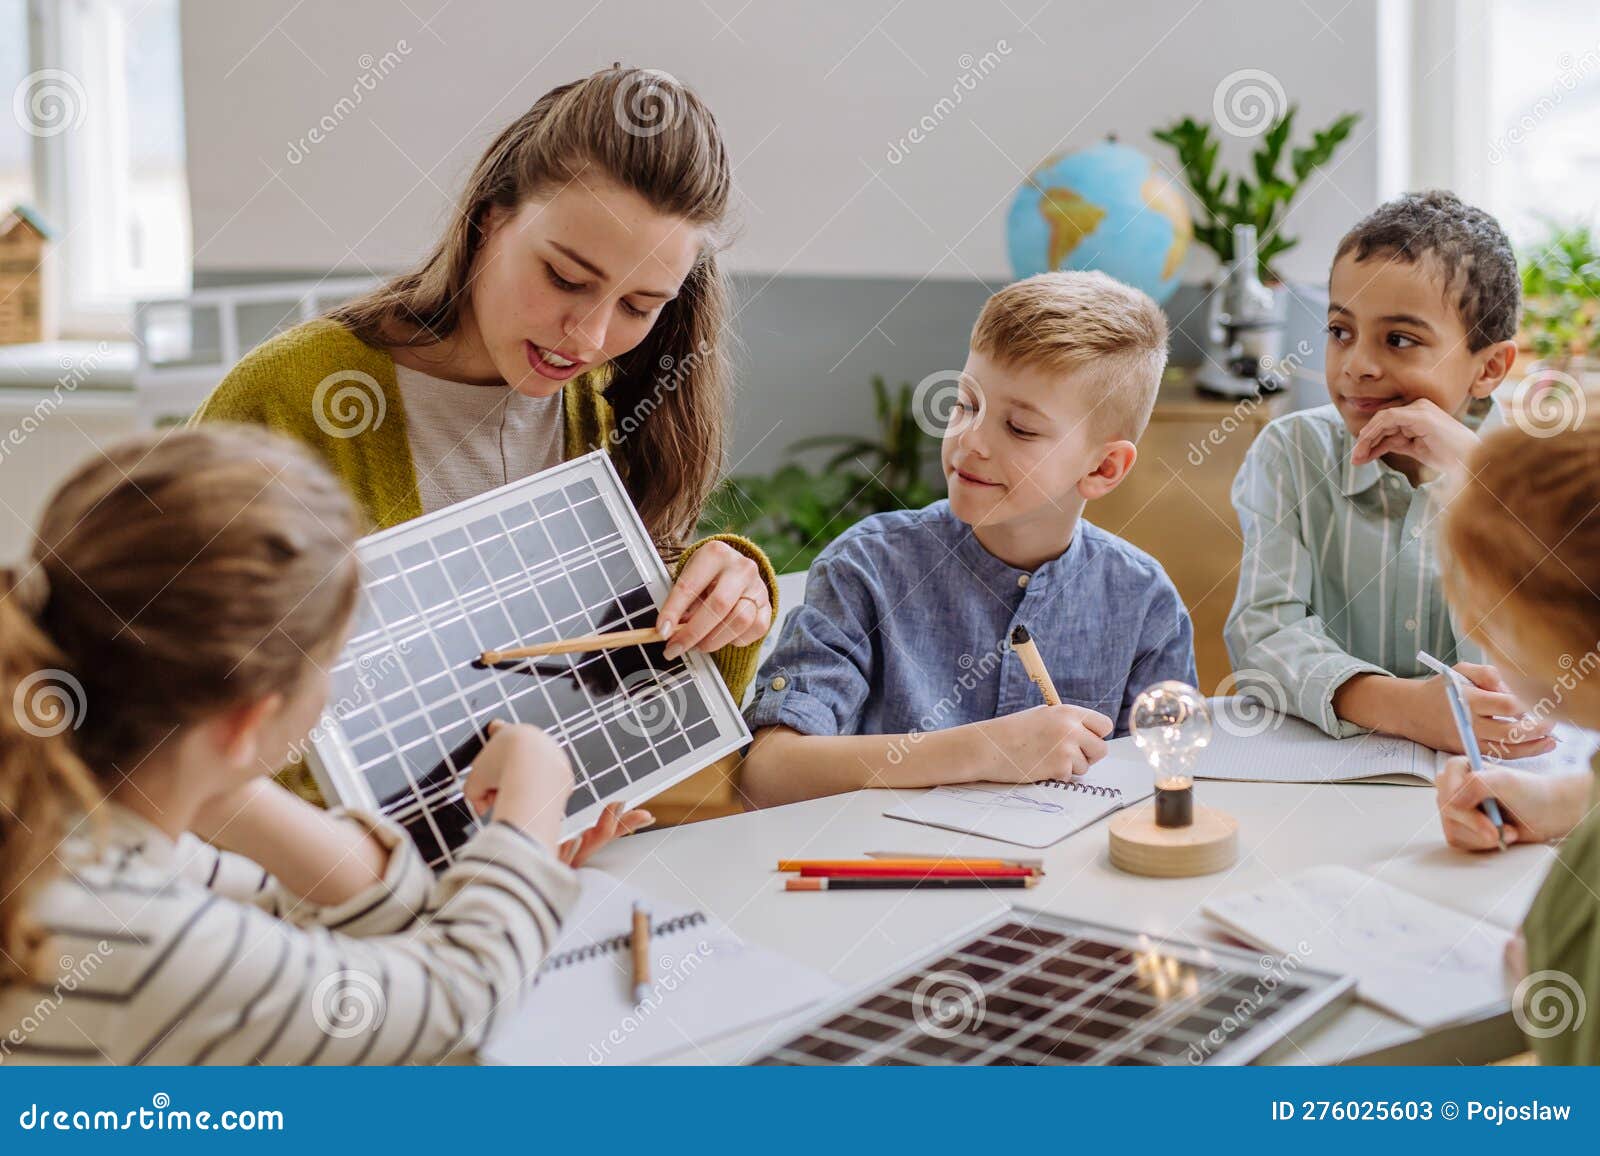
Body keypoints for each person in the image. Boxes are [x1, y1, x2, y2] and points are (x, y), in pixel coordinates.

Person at [0, 427, 580, 1064]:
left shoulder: (57, 811)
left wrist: (213, 771)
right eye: (332, 659)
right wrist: (530, 807)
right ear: (249, 720)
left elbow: (316, 914)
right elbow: (458, 1009)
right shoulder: (134, 934)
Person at [740, 271, 1195, 807]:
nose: (969, 440)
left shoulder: (1144, 603)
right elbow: (765, 773)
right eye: (966, 404)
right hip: (883, 878)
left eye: (1020, 428)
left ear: (1103, 467)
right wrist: (983, 750)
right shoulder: (866, 567)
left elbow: (1164, 787)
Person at [1226, 190, 1551, 758]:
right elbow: (1262, 635)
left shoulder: (1535, 481)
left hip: (1496, 775)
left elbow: (1537, 665)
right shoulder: (1291, 452)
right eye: (1340, 331)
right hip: (1325, 770)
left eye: (1399, 340)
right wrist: (1403, 707)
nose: (1357, 365)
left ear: (1490, 368)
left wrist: (1477, 483)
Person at [1432, 416, 1600, 1063]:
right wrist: (1561, 801)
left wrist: (1546, 984)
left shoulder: (1581, 896)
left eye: (1489, 602)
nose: (1471, 622)